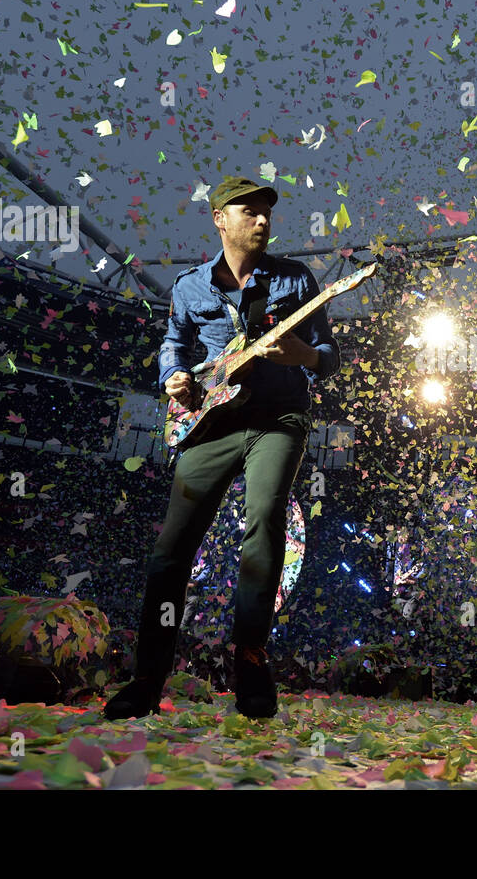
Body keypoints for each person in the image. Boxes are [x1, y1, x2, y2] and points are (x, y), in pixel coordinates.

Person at [105, 175, 340, 720]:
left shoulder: (297, 279)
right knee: (172, 551)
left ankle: (251, 664)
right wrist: (174, 377)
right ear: (220, 219)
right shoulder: (189, 287)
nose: (263, 221)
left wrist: (303, 355)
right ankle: (147, 678)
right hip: (208, 425)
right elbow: (173, 345)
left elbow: (329, 355)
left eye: (267, 213)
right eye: (250, 212)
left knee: (264, 522)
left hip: (278, 419)